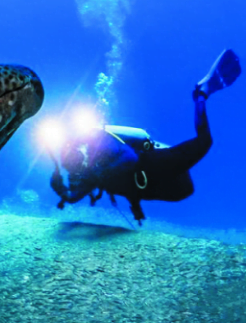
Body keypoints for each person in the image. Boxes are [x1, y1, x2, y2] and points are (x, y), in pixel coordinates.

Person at [50, 49, 241, 224]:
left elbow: (130, 158)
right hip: (159, 188)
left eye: (73, 162)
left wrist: (100, 174)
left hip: (153, 165)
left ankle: (202, 92)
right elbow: (73, 197)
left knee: (205, 142)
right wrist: (58, 187)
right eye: (70, 166)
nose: (75, 170)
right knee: (186, 190)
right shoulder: (90, 175)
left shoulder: (98, 141)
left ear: (78, 150)